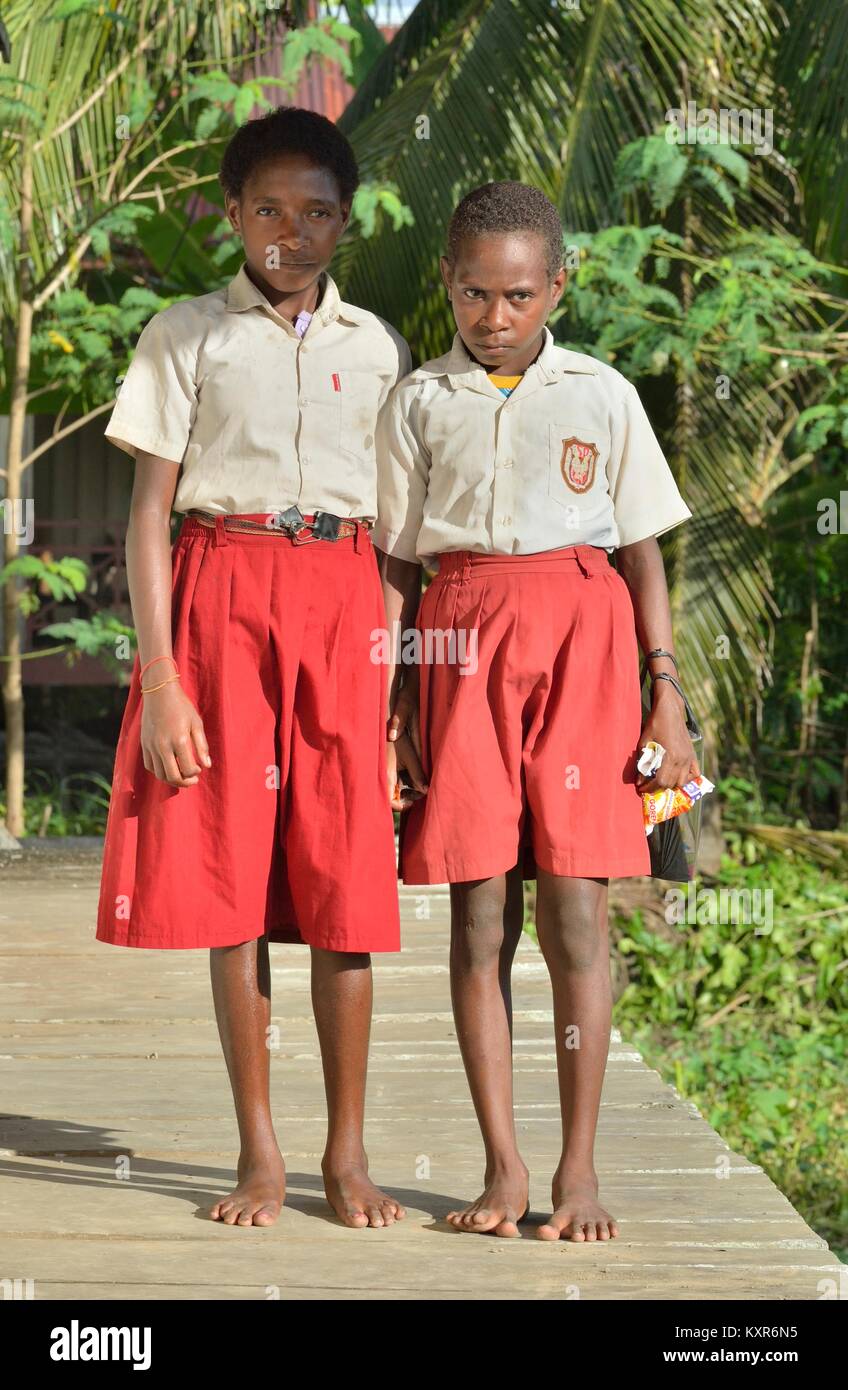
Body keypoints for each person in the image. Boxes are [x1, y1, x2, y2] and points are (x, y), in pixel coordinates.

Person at [96, 106, 411, 1230]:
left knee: (346, 890)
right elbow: (146, 520)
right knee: (230, 884)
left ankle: (347, 1154)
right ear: (231, 214)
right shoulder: (184, 336)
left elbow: (395, 535)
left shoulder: (377, 349)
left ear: (344, 221)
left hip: (340, 601)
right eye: (268, 208)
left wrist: (383, 689)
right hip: (219, 594)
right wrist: (165, 678)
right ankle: (261, 1156)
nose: (292, 232)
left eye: (316, 211)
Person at [374, 180, 698, 1242]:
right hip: (461, 642)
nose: (495, 316)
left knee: (574, 911)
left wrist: (666, 693)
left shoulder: (600, 394)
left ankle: (578, 1172)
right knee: (477, 915)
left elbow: (642, 548)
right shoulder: (418, 399)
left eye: (516, 294)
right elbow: (395, 560)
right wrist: (395, 699)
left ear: (554, 284)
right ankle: (503, 1169)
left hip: (584, 644)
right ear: (448, 285)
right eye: (474, 293)